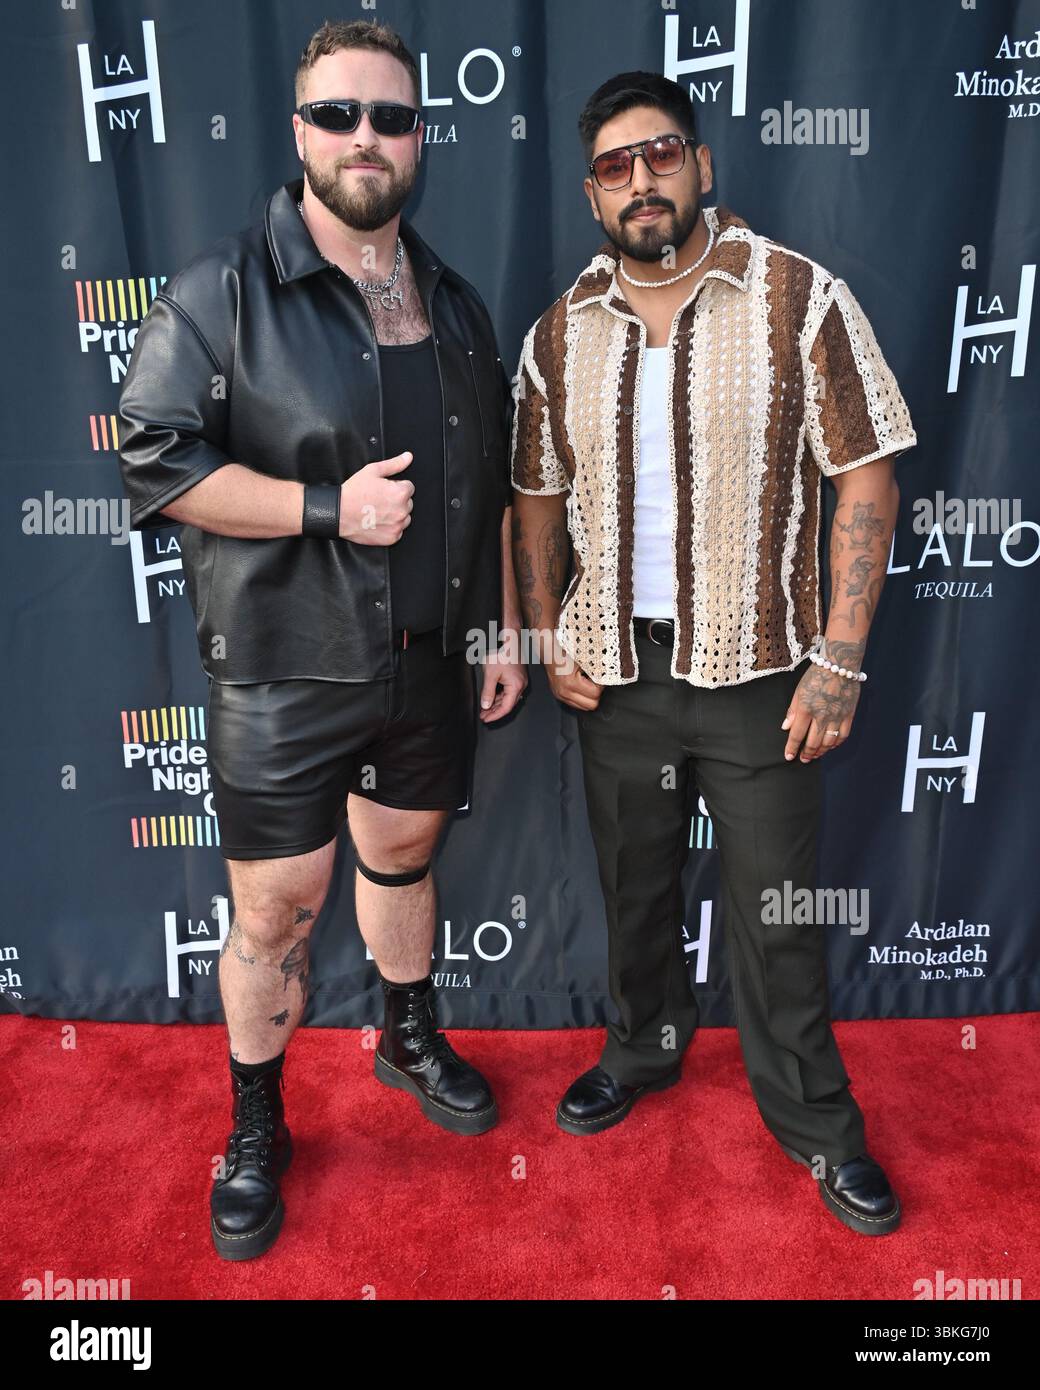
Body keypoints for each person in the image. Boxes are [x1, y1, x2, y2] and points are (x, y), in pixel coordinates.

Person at [117, 19, 525, 1262]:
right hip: (284, 666)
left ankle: (405, 1034)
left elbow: (487, 482)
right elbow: (154, 460)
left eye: (391, 117)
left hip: (426, 660)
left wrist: (503, 619)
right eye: (340, 115)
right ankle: (255, 1122)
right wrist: (320, 509)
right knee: (280, 914)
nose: (366, 138)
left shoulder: (453, 300)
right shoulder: (220, 287)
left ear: (418, 137)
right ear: (299, 132)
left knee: (400, 862)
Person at [509, 71, 917, 1236]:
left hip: (759, 675)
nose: (639, 180)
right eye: (612, 165)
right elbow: (534, 500)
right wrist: (546, 635)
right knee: (635, 890)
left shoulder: (799, 299)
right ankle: (638, 1052)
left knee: (775, 914)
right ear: (591, 194)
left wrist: (838, 658)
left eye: (659, 154)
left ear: (700, 166)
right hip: (617, 675)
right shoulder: (558, 331)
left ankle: (816, 1124)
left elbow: (865, 474)